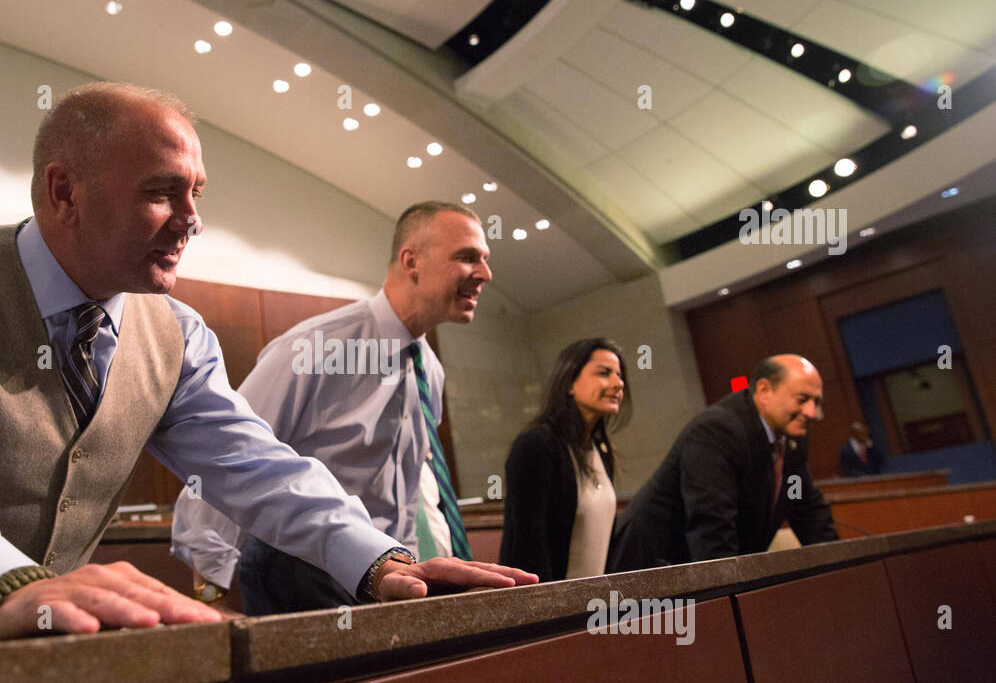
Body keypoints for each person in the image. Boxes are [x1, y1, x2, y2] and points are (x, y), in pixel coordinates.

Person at [0, 82, 533, 662]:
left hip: (17, 669)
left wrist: (376, 559)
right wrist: (4, 587)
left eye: (196, 193)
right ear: (64, 190)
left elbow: (260, 467)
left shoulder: (178, 336)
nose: (192, 219)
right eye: (162, 191)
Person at [171, 201, 494, 614]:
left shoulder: (428, 369)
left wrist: (406, 576)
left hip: (381, 574)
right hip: (296, 571)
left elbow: (406, 496)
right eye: (468, 257)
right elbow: (226, 459)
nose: (486, 274)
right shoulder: (316, 348)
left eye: (484, 259)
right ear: (411, 261)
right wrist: (210, 593)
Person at [607, 354, 837, 572]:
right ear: (765, 390)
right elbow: (712, 525)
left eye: (816, 401)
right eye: (802, 399)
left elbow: (807, 509)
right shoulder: (717, 430)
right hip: (653, 572)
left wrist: (835, 563)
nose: (812, 412)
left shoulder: (793, 438)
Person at [499, 339, 629, 582]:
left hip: (594, 606)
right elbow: (528, 541)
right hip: (547, 606)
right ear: (569, 382)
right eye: (604, 373)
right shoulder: (536, 443)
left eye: (619, 375)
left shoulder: (600, 449)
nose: (618, 384)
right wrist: (551, 609)